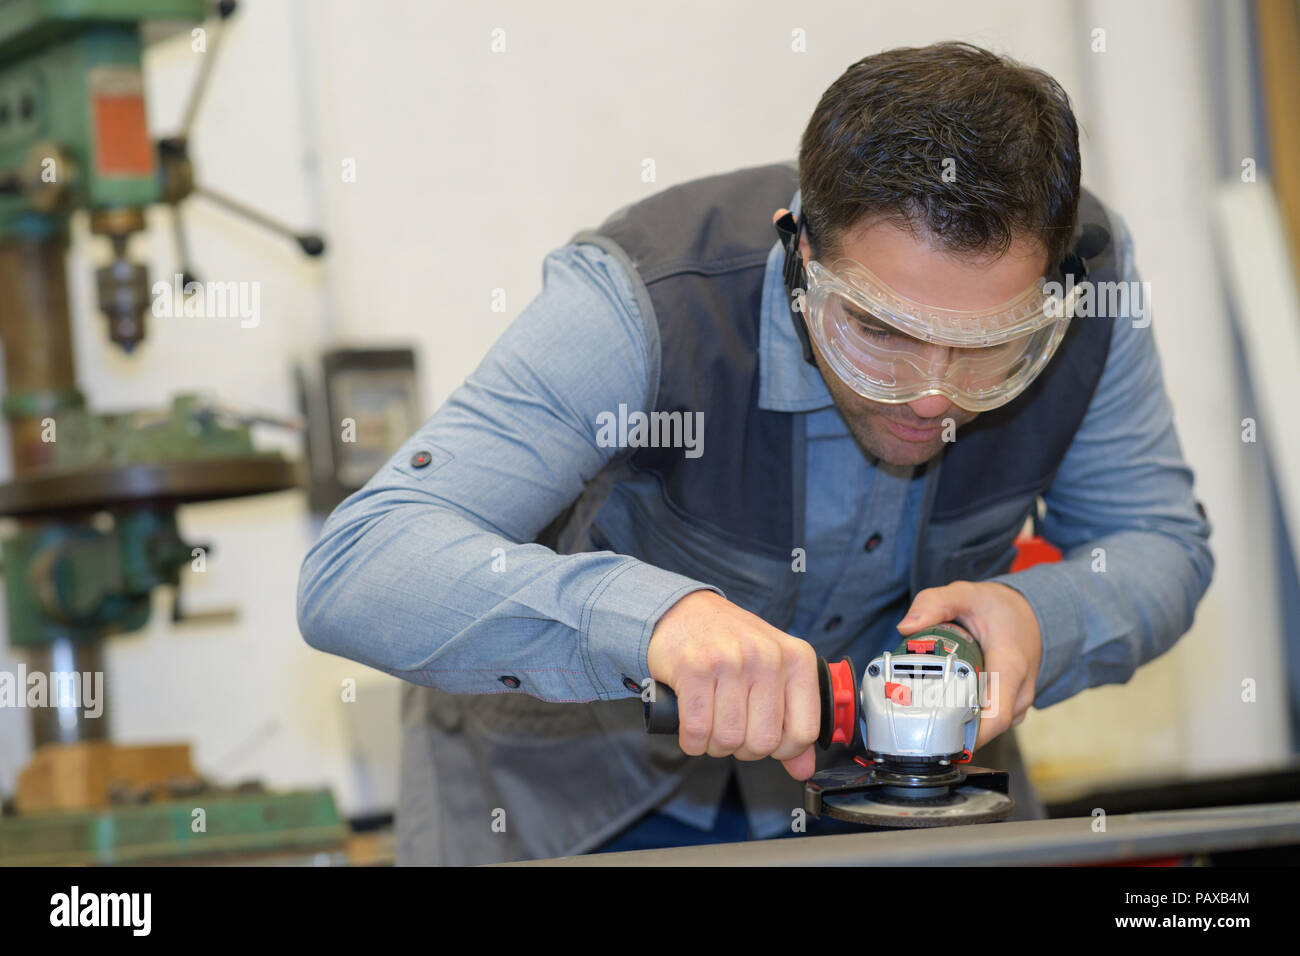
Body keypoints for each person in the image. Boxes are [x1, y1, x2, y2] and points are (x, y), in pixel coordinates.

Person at [297, 41, 1213, 865]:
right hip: (571, 800)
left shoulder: (1092, 284)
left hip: (894, 797)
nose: (933, 396)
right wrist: (652, 623)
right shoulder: (644, 301)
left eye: (988, 347)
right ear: (798, 253)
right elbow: (360, 566)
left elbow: (1160, 543)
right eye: (881, 331)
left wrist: (1041, 617)